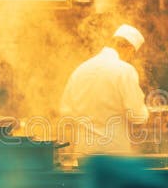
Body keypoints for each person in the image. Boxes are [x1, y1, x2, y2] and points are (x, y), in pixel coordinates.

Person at [59, 24, 149, 155]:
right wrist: (146, 112)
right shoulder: (124, 70)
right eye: (133, 54)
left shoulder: (80, 70)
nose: (130, 59)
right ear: (129, 49)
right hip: (114, 154)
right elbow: (137, 116)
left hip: (84, 153)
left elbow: (66, 113)